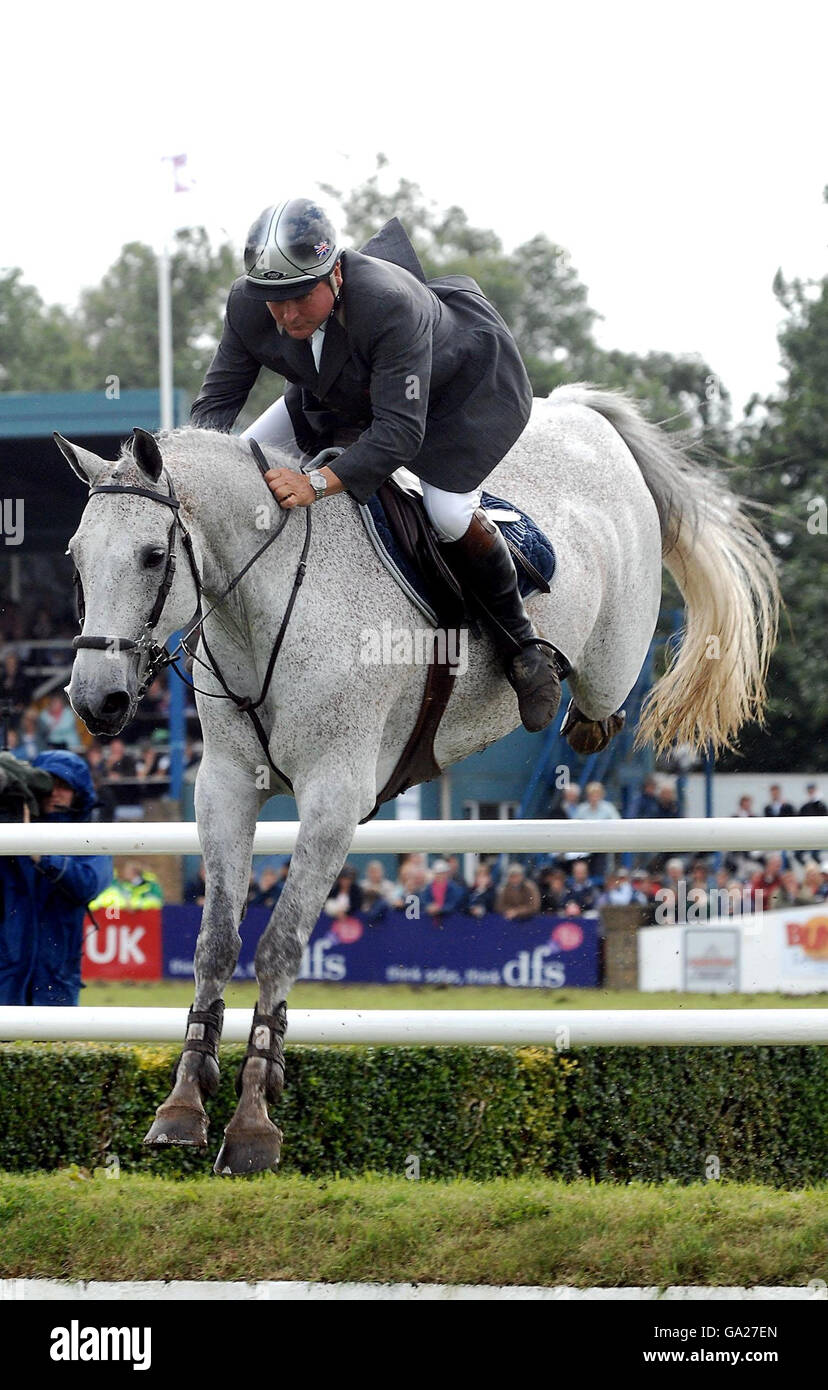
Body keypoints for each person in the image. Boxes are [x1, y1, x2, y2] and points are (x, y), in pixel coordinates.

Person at [190, 197, 566, 733]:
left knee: (448, 514)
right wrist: (190, 464)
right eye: (275, 301)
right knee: (244, 452)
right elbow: (216, 403)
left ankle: (523, 646)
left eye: (299, 297)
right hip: (346, 388)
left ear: (336, 272)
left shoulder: (388, 303)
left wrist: (315, 482)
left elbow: (398, 433)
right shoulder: (251, 304)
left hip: (457, 396)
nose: (287, 315)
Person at [0, 751, 113, 1006]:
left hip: (56, 975)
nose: (55, 792)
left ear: (80, 793)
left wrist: (42, 855)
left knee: (55, 1040)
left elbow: (89, 885)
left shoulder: (92, 837)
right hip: (6, 972)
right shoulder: (7, 832)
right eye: (49, 783)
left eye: (65, 786)